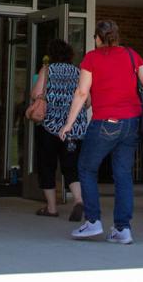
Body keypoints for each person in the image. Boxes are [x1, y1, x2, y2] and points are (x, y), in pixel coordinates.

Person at [59, 20, 143, 245]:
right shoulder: (131, 55)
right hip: (131, 124)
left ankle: (93, 221)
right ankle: (122, 229)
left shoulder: (92, 58)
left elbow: (81, 93)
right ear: (116, 36)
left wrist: (69, 123)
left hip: (105, 122)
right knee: (123, 175)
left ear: (98, 38)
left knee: (86, 168)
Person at [31, 38, 88, 220]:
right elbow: (87, 101)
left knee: (47, 166)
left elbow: (35, 94)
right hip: (73, 128)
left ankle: (52, 208)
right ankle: (78, 200)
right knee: (71, 167)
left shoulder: (47, 70)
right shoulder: (79, 72)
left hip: (49, 127)